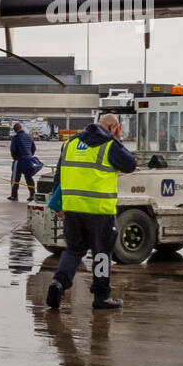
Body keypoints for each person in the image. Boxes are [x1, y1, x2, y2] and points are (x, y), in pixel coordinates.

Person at [45, 112, 138, 312]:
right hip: (99, 210)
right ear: (114, 128)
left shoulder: (70, 143)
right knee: (102, 252)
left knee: (73, 250)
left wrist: (58, 204)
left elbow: (59, 175)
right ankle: (101, 296)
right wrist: (117, 139)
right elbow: (130, 165)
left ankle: (58, 283)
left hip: (73, 208)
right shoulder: (109, 145)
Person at [8, 122, 37, 201]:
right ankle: (32, 195)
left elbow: (13, 150)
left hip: (19, 160)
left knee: (15, 178)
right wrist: (30, 155)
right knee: (29, 178)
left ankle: (14, 196)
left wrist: (15, 158)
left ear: (15, 130)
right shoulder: (29, 137)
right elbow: (34, 148)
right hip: (28, 160)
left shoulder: (16, 138)